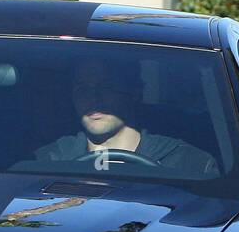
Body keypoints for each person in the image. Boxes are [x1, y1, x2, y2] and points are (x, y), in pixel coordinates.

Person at [34, 60, 217, 176]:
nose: (94, 98)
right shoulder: (48, 162)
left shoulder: (188, 164)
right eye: (83, 89)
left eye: (106, 87)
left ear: (134, 93)